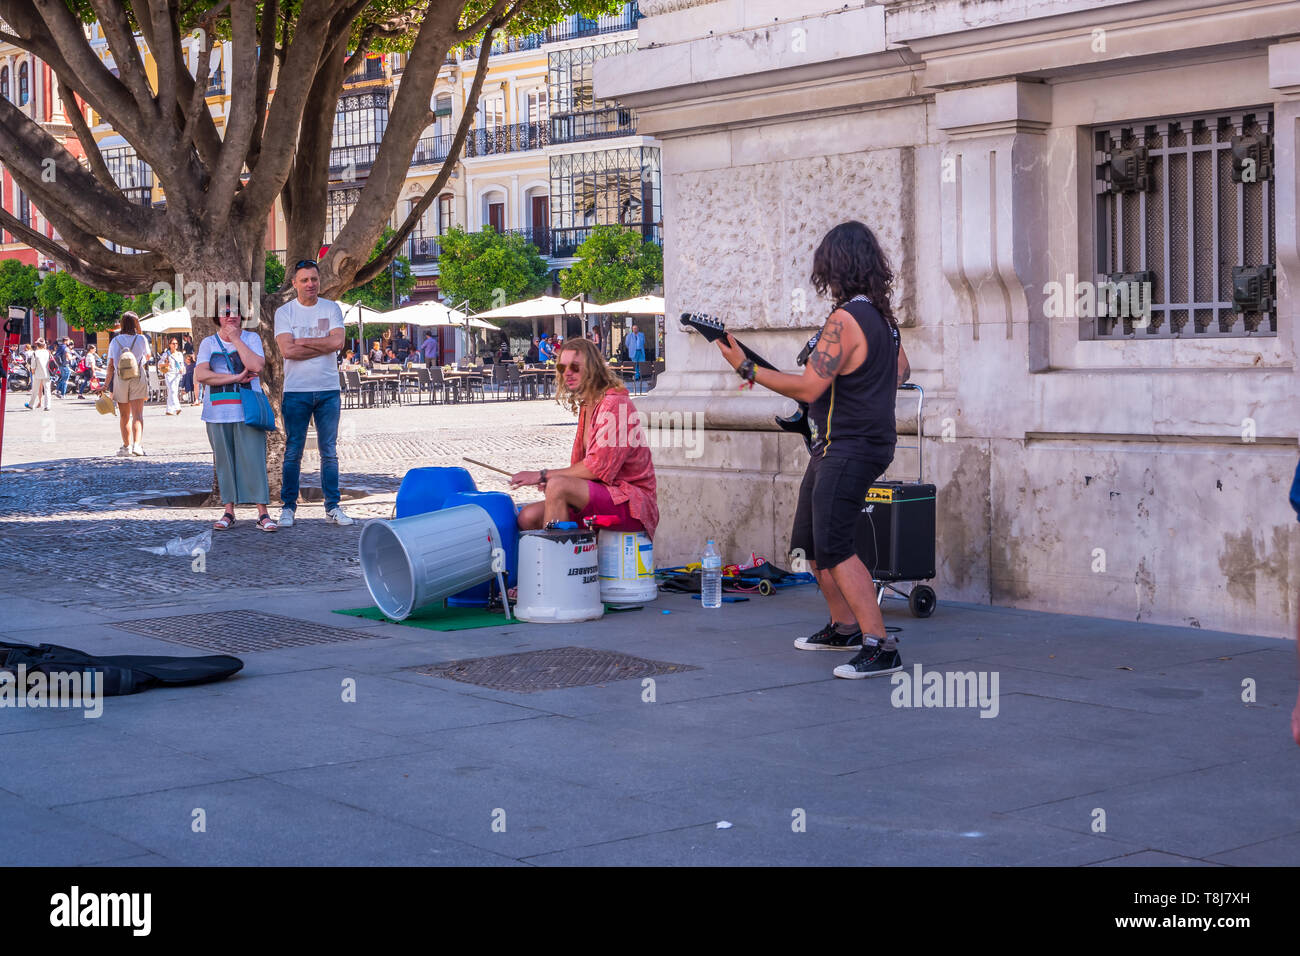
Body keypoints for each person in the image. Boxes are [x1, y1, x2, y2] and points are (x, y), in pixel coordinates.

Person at [714, 220, 911, 680]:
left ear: (836, 267)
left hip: (849, 447)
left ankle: (880, 645)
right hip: (843, 445)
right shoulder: (884, 321)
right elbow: (901, 371)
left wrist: (746, 367)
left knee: (838, 546)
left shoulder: (845, 320)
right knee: (809, 543)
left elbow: (807, 386)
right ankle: (843, 625)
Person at [511, 337, 658, 537]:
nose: (567, 373)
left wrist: (544, 475)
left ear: (592, 368)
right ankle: (572, 559)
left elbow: (597, 468)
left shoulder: (614, 404)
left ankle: (560, 565)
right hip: (603, 494)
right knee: (527, 516)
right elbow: (584, 467)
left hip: (631, 501)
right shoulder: (588, 403)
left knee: (558, 485)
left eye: (575, 367)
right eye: (562, 368)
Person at [275, 258, 353, 527]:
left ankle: (332, 507)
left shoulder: (332, 308)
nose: (310, 284)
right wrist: (324, 345)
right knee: (293, 450)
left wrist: (304, 341)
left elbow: (339, 342)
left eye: (314, 279)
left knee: (328, 451)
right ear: (295, 283)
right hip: (296, 391)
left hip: (328, 389)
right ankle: (288, 507)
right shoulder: (284, 313)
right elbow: (288, 350)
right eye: (305, 280)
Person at [195, 307, 276, 531]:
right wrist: (235, 377)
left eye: (236, 312)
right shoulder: (208, 343)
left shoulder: (252, 338)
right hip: (217, 413)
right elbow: (201, 375)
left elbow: (256, 365)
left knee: (254, 461)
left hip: (247, 410)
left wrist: (235, 339)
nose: (231, 316)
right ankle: (228, 511)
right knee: (224, 463)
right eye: (225, 312)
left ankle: (263, 514)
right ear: (216, 317)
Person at [106, 313, 152, 455]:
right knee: (138, 414)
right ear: (136, 324)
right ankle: (137, 445)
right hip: (138, 376)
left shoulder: (115, 341)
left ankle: (126, 447)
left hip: (121, 378)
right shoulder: (141, 339)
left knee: (124, 415)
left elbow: (111, 364)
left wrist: (106, 384)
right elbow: (148, 356)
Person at [24, 338, 52, 411]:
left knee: (35, 390)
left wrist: (33, 372)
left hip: (37, 373)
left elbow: (33, 365)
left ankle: (31, 404)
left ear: (37, 345)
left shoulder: (35, 353)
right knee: (47, 390)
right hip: (46, 373)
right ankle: (47, 406)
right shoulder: (48, 352)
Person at [162, 336, 185, 415]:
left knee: (173, 392)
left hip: (177, 374)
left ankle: (169, 410)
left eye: (176, 343)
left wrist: (181, 369)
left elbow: (182, 364)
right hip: (169, 374)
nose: (175, 345)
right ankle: (177, 407)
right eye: (173, 343)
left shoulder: (179, 354)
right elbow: (159, 364)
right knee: (172, 390)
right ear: (169, 345)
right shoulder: (166, 354)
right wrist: (165, 363)